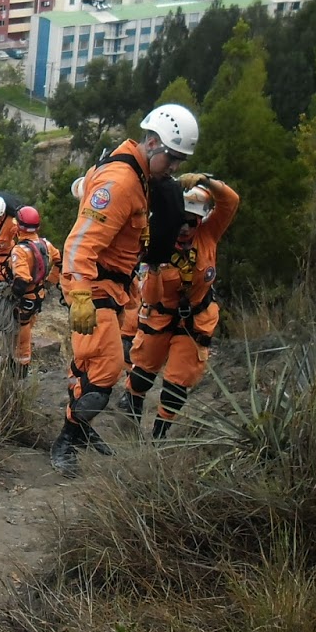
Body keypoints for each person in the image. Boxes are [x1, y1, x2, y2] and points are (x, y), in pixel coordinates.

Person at [51, 103, 198, 475]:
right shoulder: (122, 183)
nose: (175, 167)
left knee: (87, 363)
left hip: (114, 285)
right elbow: (79, 245)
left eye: (181, 160)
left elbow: (87, 189)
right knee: (108, 368)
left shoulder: (138, 173)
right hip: (92, 281)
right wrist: (81, 295)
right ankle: (66, 439)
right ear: (152, 143)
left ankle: (80, 427)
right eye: (173, 159)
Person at [126, 173, 239, 437]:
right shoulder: (155, 241)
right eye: (180, 221)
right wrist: (153, 265)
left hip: (196, 318)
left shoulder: (208, 235)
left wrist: (207, 181)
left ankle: (159, 434)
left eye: (192, 221)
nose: (185, 228)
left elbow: (230, 202)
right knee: (143, 373)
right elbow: (151, 298)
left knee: (177, 381)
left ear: (200, 220)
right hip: (159, 314)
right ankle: (130, 415)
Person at [3, 204, 60, 378]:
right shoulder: (46, 244)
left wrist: (10, 295)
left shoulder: (20, 251)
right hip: (38, 295)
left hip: (25, 299)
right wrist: (50, 281)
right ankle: (18, 363)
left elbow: (21, 280)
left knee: (21, 333)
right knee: (25, 328)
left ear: (18, 226)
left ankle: (20, 370)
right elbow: (59, 261)